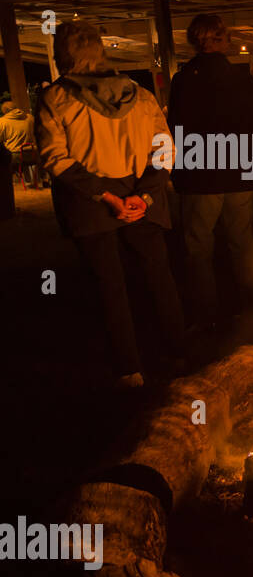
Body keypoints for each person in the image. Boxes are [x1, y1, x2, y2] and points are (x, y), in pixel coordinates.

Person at [36, 20, 184, 389]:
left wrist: (106, 196)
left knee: (109, 286)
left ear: (63, 55)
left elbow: (55, 158)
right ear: (100, 50)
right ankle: (179, 351)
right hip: (140, 198)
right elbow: (166, 151)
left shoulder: (55, 98)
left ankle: (128, 370)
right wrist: (143, 195)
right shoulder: (140, 94)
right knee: (158, 277)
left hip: (91, 204)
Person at [168, 13, 253, 330]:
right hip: (238, 167)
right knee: (241, 242)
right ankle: (248, 305)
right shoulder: (241, 78)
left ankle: (205, 313)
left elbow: (177, 127)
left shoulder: (183, 80)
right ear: (224, 39)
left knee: (198, 247)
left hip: (200, 171)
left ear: (194, 42)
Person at [2, 100, 41, 189]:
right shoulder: (30, 118)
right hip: (33, 154)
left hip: (16, 156)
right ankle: (39, 180)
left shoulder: (2, 122)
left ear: (4, 111)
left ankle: (5, 187)